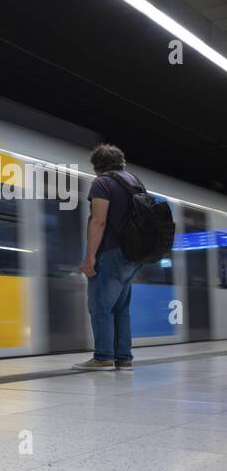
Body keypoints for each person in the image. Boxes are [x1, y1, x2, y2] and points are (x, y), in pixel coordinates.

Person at [73, 143, 142, 371]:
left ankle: (103, 356)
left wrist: (90, 257)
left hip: (110, 252)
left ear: (97, 166)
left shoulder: (102, 182)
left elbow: (99, 220)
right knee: (121, 308)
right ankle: (124, 358)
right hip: (132, 254)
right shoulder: (135, 182)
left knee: (100, 306)